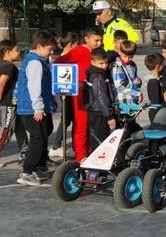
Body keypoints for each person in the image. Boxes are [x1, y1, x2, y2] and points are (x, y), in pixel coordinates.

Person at [50, 27, 102, 162]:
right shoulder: (79, 51)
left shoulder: (95, 52)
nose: (99, 43)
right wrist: (74, 81)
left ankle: (88, 152)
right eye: (96, 40)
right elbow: (58, 63)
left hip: (92, 92)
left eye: (100, 40)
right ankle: (81, 156)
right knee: (81, 124)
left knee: (90, 124)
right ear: (87, 39)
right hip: (80, 93)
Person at [16, 31, 58, 186]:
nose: (52, 52)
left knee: (45, 131)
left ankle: (38, 166)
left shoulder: (41, 60)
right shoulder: (34, 62)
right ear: (39, 47)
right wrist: (38, 108)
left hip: (36, 108)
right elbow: (34, 87)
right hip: (31, 109)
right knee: (37, 139)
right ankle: (27, 171)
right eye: (49, 49)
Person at [0, 40, 27, 169]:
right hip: (9, 104)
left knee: (20, 129)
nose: (19, 52)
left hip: (13, 103)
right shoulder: (9, 66)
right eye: (17, 50)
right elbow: (1, 83)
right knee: (6, 132)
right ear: (8, 52)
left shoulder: (3, 65)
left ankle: (25, 153)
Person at [46, 32, 81, 158]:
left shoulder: (62, 57)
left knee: (69, 118)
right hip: (68, 92)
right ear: (71, 44)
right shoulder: (66, 58)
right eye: (77, 44)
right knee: (66, 118)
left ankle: (70, 146)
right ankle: (56, 146)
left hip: (70, 92)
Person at [85, 48, 117, 148]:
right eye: (101, 63)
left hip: (95, 111)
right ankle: (99, 162)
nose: (104, 66)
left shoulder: (95, 72)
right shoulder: (98, 76)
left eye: (106, 62)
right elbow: (100, 97)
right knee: (101, 140)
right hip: (100, 112)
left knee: (96, 138)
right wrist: (109, 115)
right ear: (93, 62)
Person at [111, 40, 141, 107]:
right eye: (124, 56)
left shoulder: (133, 65)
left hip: (132, 101)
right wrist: (137, 93)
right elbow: (119, 86)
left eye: (130, 57)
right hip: (121, 102)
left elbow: (133, 79)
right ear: (119, 52)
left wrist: (138, 81)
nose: (127, 59)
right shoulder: (117, 66)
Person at [143, 53, 165, 122]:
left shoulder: (151, 79)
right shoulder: (154, 82)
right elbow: (156, 101)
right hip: (157, 113)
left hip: (155, 111)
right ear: (158, 66)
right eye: (163, 64)